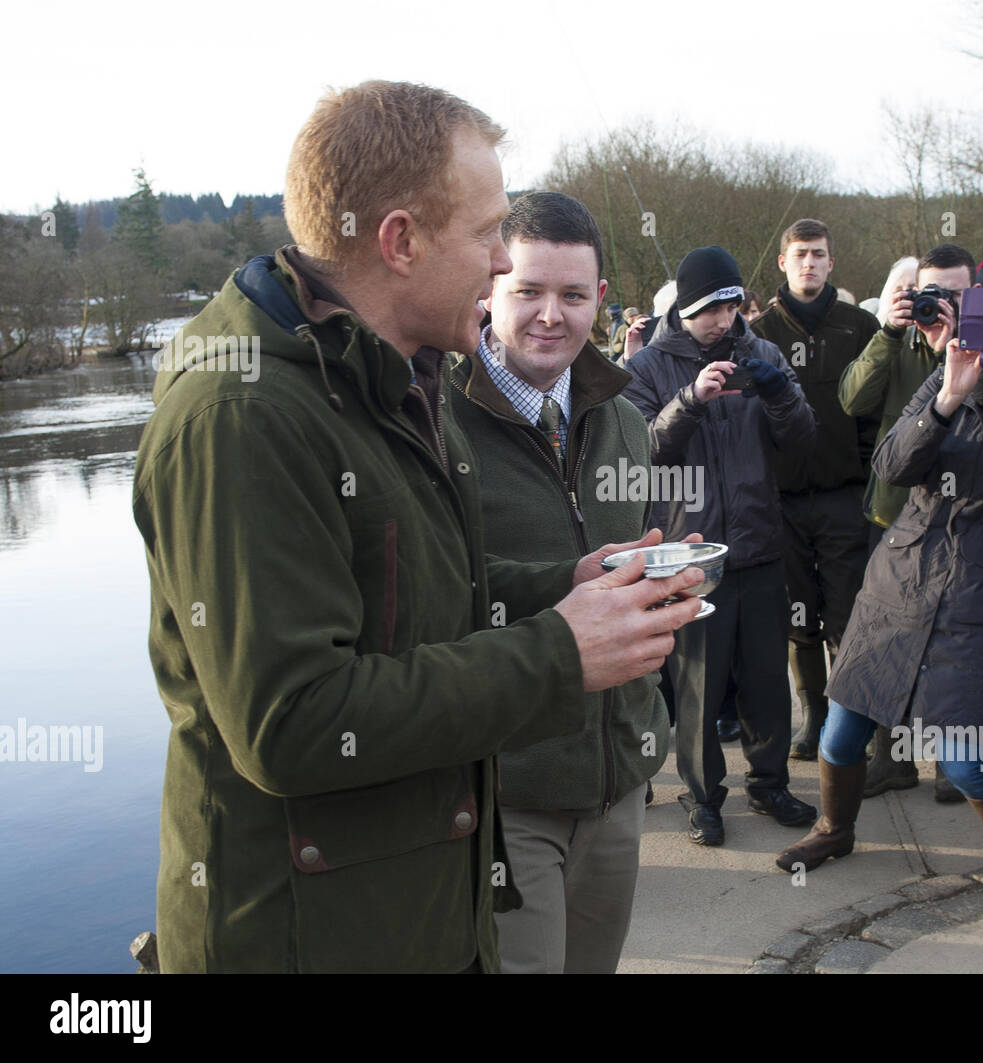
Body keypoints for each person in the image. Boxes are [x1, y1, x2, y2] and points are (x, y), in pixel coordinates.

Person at [132, 82, 702, 974]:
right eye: (487, 236)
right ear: (399, 240)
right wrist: (560, 650)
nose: (499, 265)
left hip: (413, 905)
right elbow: (292, 721)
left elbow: (423, 599)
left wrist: (572, 583)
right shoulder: (240, 417)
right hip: (306, 936)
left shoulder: (393, 379)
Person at [776, 270, 983, 926]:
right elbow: (892, 466)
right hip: (899, 584)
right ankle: (837, 827)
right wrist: (947, 396)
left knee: (966, 758)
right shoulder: (948, 379)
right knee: (840, 733)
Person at [446, 191, 671, 973]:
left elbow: (632, 558)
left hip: (618, 782)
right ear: (489, 288)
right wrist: (561, 587)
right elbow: (437, 593)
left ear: (600, 301)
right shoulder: (434, 423)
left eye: (573, 295)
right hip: (510, 792)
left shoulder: (627, 421)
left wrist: (667, 578)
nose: (552, 315)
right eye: (529, 292)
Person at [624, 245, 818, 846]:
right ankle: (702, 794)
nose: (722, 319)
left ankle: (769, 782)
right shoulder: (651, 364)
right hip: (690, 554)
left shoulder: (761, 351)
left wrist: (780, 392)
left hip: (759, 544)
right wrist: (692, 400)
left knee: (764, 678)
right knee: (697, 684)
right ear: (685, 307)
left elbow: (803, 438)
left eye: (731, 305)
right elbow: (642, 450)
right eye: (710, 308)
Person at [837, 243, 978, 800]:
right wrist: (890, 332)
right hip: (896, 512)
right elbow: (852, 401)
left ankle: (952, 761)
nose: (940, 304)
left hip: (963, 517)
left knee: (953, 645)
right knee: (888, 639)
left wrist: (964, 342)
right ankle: (892, 757)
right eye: (929, 293)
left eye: (955, 294)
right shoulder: (895, 340)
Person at [750, 218, 880, 761]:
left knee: (847, 618)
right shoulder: (757, 333)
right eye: (800, 253)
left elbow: (877, 409)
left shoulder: (860, 326)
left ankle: (851, 720)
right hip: (782, 501)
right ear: (783, 261)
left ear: (831, 262)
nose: (809, 262)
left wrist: (872, 475)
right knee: (798, 617)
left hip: (844, 496)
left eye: (818, 254)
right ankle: (815, 716)